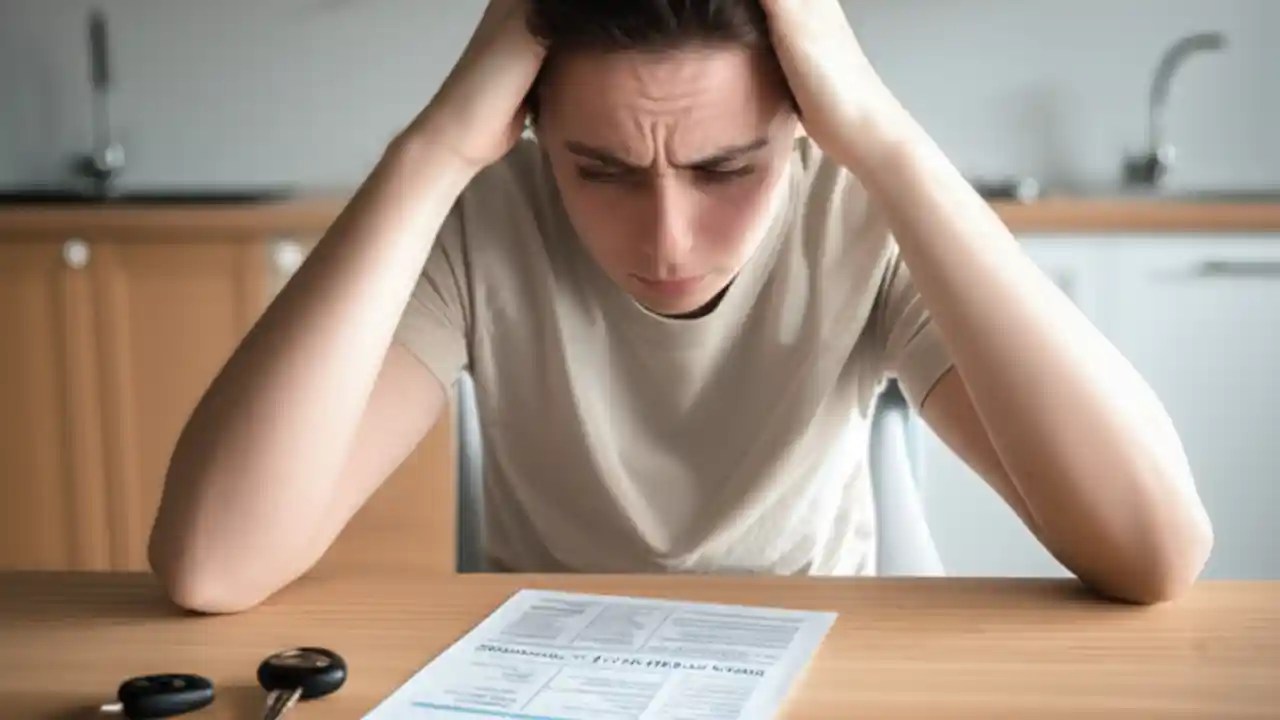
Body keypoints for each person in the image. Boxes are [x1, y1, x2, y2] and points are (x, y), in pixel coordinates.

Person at [148, 0, 1213, 613]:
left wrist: (884, 140)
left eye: (726, 170)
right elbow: (212, 566)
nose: (665, 244)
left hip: (823, 668)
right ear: (525, 131)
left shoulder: (859, 211)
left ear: (805, 127)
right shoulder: (484, 214)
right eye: (599, 171)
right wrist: (430, 151)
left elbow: (1153, 554)